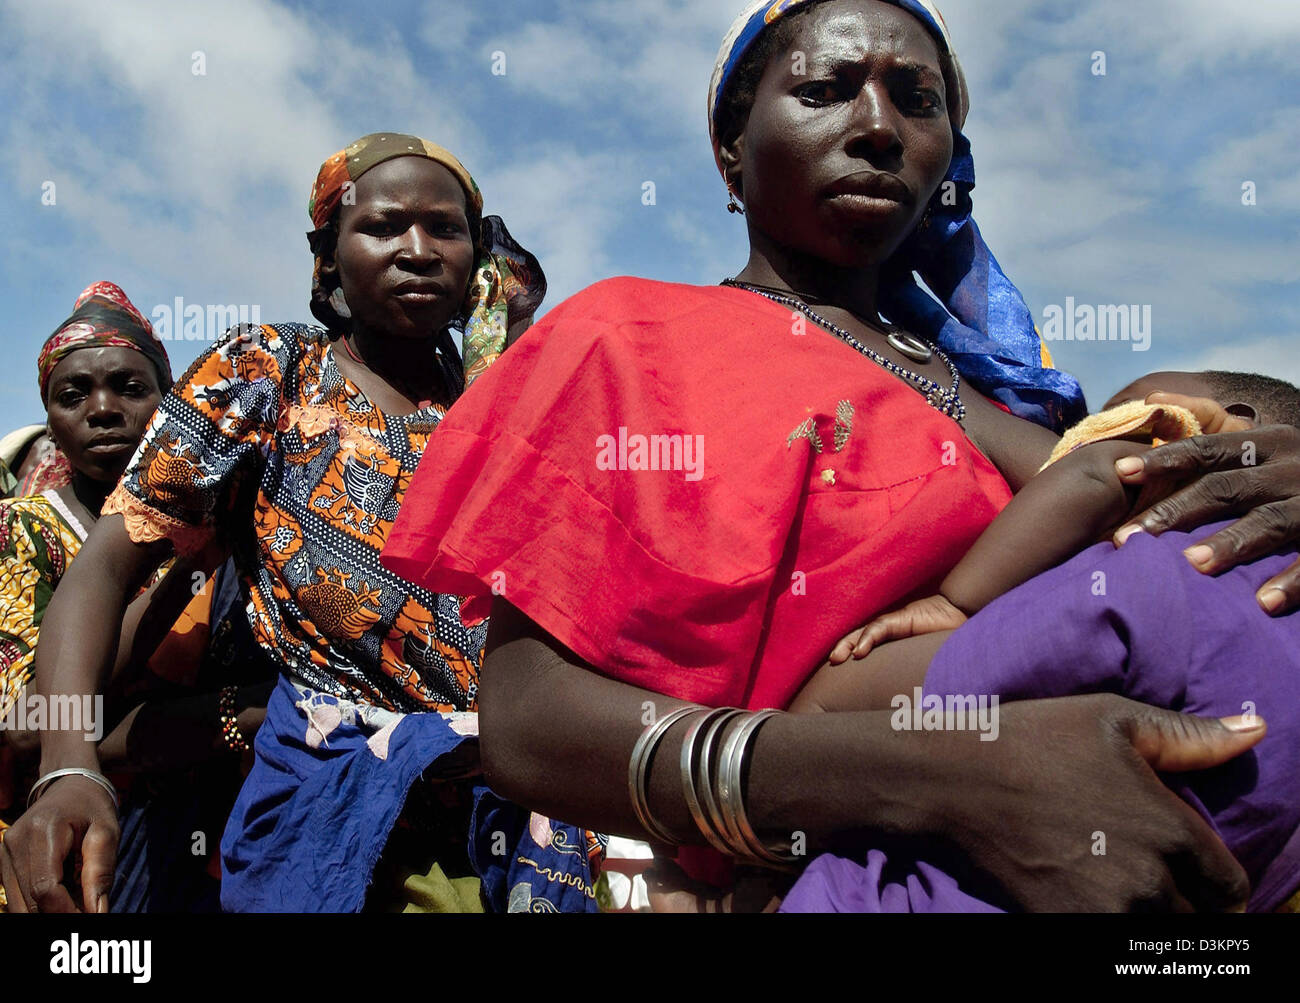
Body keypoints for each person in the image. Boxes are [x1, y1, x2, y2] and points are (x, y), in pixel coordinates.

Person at [378, 0, 1300, 912]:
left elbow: (1138, 526)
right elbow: (532, 725)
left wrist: (1267, 475)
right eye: (825, 89)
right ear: (731, 152)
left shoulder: (1014, 394)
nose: (878, 128)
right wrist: (942, 778)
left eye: (918, 99)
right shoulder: (627, 339)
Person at [0, 134, 598, 915]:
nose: (417, 250)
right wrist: (69, 765)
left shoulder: (504, 407)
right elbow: (105, 566)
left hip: (514, 801)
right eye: (383, 227)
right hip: (332, 813)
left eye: (444, 229)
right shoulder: (266, 371)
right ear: (329, 258)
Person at [780, 375, 1300, 911]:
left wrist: (960, 603)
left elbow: (820, 724)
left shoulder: (1142, 586)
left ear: (1227, 431)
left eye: (1114, 422)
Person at [0, 281, 269, 912]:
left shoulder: (237, 527)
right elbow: (23, 729)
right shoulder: (22, 531)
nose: (102, 408)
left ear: (171, 408)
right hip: (71, 849)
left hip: (213, 844)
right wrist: (230, 714)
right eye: (74, 395)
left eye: (129, 387)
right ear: (51, 421)